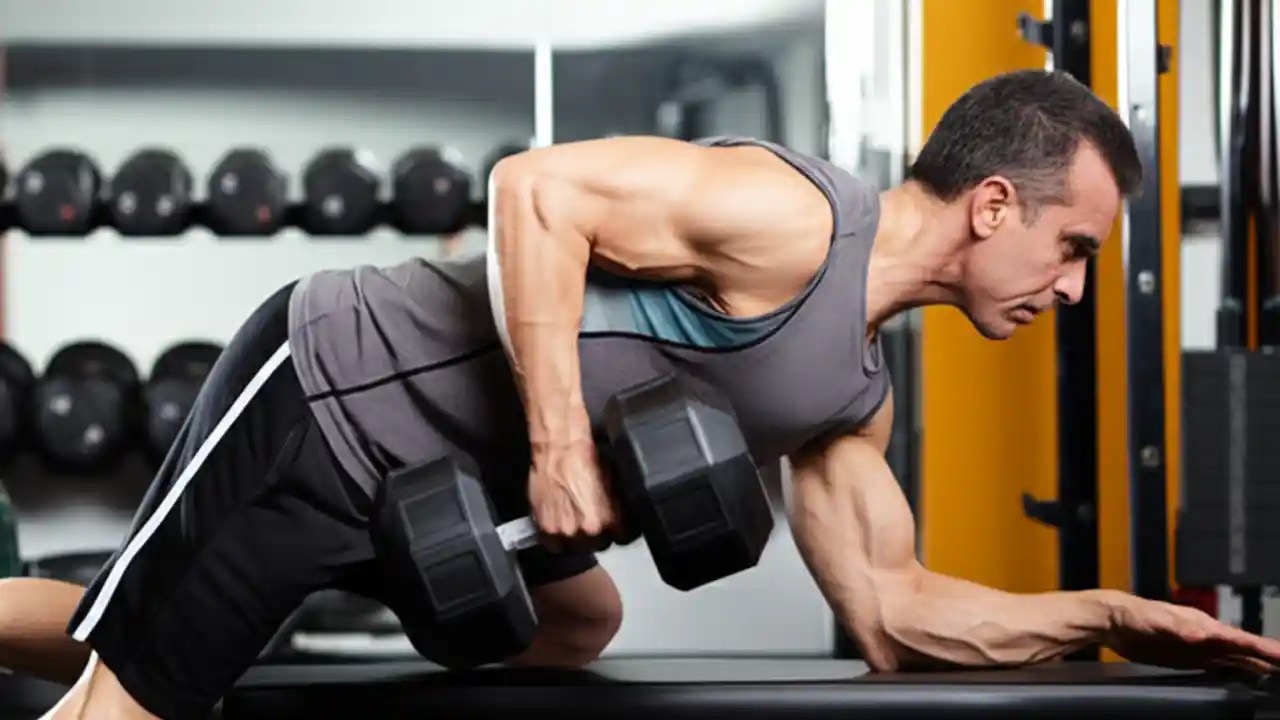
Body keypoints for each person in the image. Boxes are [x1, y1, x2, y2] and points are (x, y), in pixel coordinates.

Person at [6, 68, 1279, 720]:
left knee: (577, 625)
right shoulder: (794, 217)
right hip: (337, 396)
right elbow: (532, 189)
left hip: (443, 503)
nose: (1069, 290)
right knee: (130, 699)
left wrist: (1110, 613)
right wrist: (560, 448)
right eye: (1073, 252)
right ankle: (164, 632)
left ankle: (166, 612)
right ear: (995, 204)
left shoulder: (849, 388)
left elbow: (892, 617)